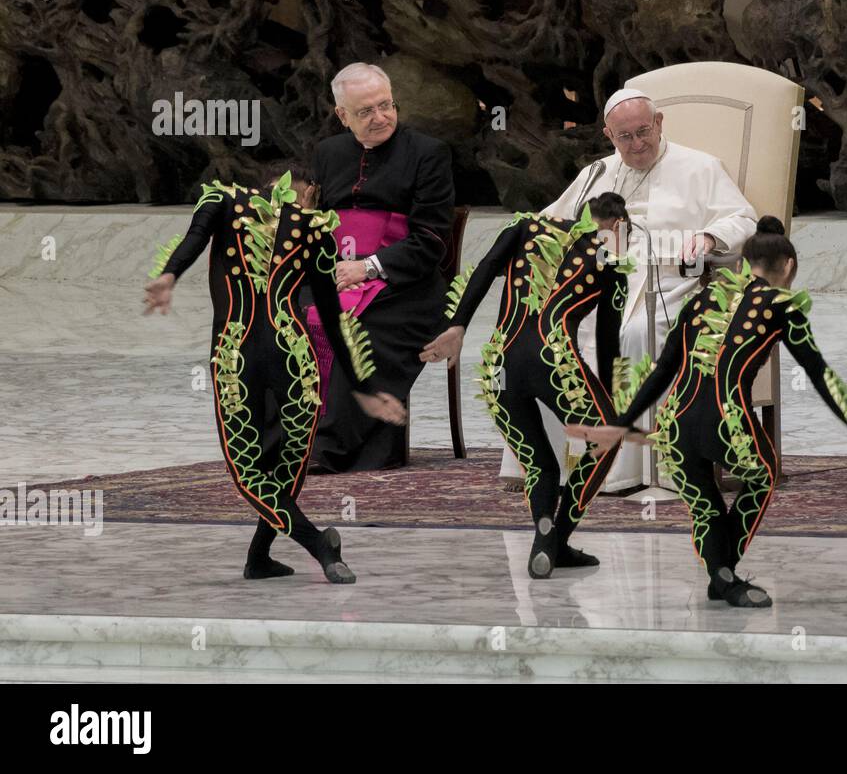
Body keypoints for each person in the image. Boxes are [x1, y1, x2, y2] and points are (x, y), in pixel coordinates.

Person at [569, 217, 847, 607]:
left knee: (706, 504)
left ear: (745, 263)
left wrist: (621, 424)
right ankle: (724, 575)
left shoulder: (703, 299)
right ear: (788, 266)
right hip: (728, 422)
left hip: (674, 424)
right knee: (763, 475)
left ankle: (721, 575)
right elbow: (819, 372)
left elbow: (662, 371)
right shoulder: (782, 305)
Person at [143, 168, 407, 583]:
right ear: (310, 193)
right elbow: (334, 319)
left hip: (236, 356)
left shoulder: (224, 201)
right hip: (294, 360)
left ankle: (317, 544)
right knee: (287, 465)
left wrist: (168, 276)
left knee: (246, 470)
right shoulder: (312, 227)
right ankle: (261, 556)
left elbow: (194, 238)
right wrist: (361, 387)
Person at [501, 87, 758, 493]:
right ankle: (555, 462)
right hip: (595, 284)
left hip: (670, 281)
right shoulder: (597, 174)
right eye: (625, 137)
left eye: (644, 131)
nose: (637, 144)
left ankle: (636, 469)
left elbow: (743, 219)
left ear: (659, 123)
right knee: (543, 333)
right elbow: (551, 221)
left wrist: (709, 237)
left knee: (634, 332)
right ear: (608, 135)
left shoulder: (701, 168)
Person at [421, 193, 634, 577]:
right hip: (554, 360)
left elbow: (485, 267)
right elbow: (608, 339)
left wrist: (457, 325)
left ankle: (544, 532)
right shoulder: (610, 257)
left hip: (498, 364)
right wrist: (617, 399)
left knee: (539, 463)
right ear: (618, 227)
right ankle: (557, 538)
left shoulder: (525, 225)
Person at [308, 62, 455, 473]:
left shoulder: (428, 153)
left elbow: (432, 240)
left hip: (407, 284)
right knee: (285, 317)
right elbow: (317, 225)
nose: (381, 117)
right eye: (366, 111)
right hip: (336, 276)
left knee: (360, 330)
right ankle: (287, 437)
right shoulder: (328, 153)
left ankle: (327, 447)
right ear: (342, 116)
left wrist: (369, 267)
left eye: (386, 105)